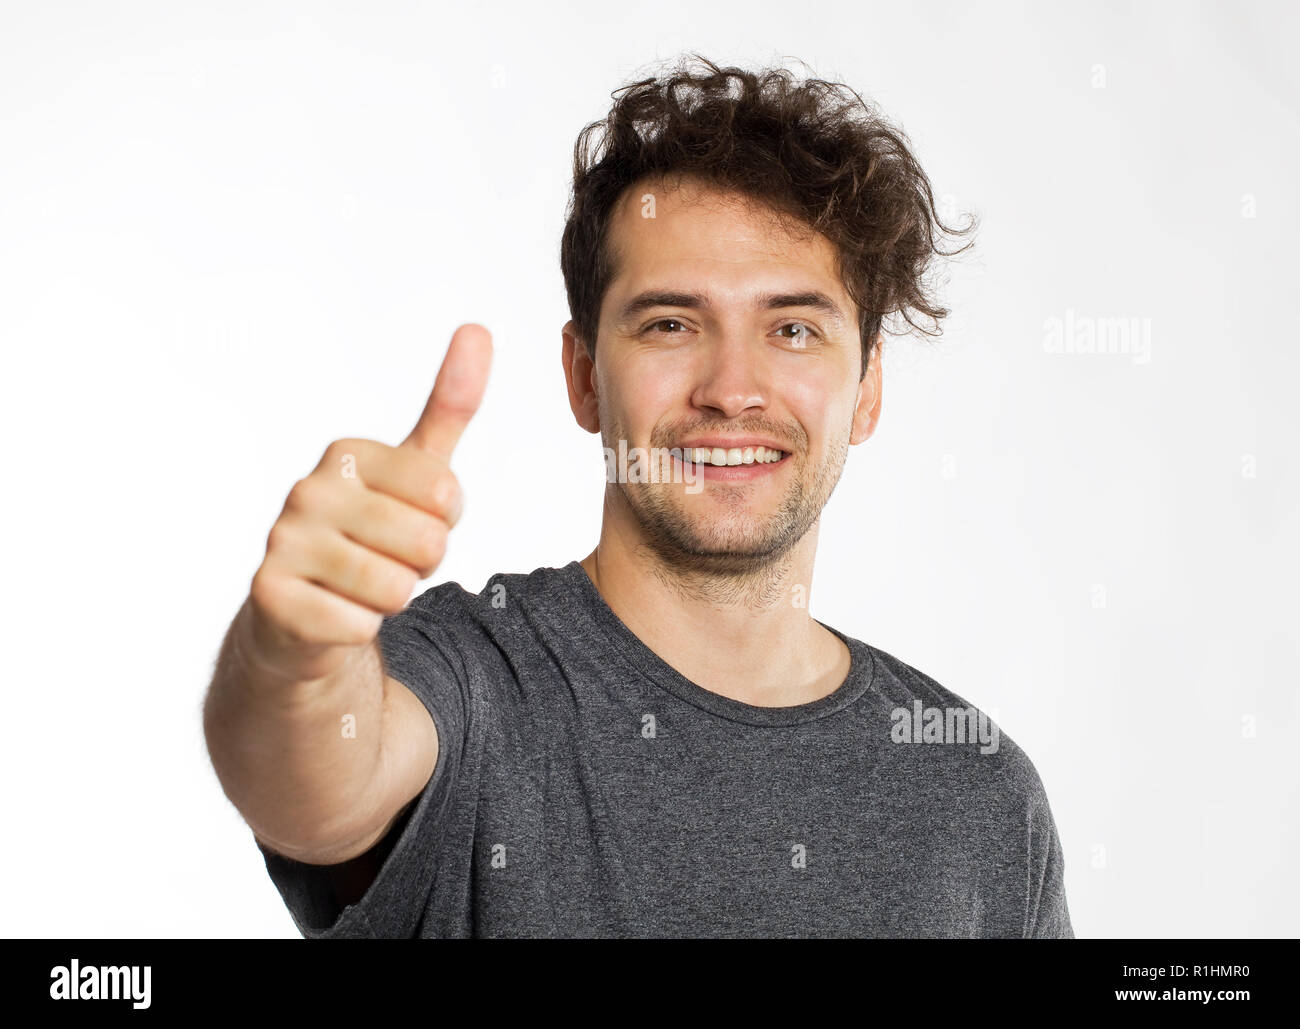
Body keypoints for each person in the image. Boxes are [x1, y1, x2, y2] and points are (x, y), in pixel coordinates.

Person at [203, 54, 1073, 938]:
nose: (734, 388)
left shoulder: (981, 793)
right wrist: (294, 657)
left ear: (869, 388)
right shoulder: (473, 686)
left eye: (794, 328)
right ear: (585, 377)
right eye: (671, 323)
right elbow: (314, 783)